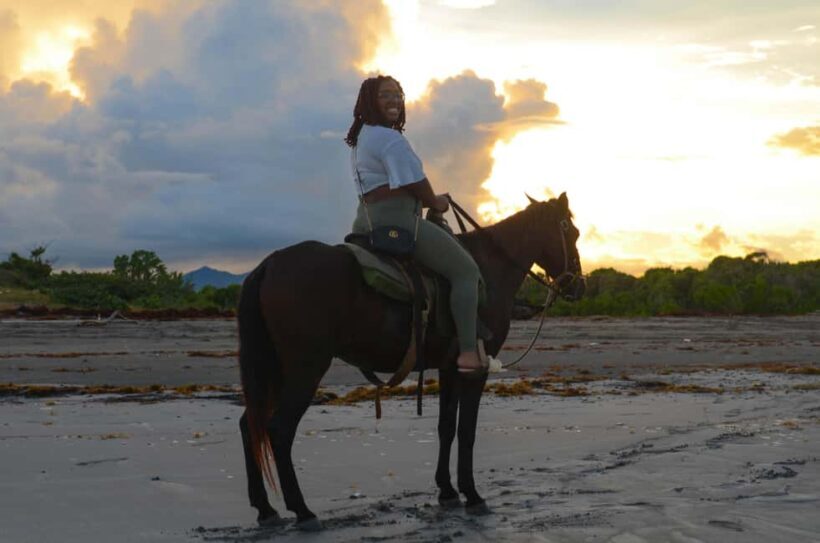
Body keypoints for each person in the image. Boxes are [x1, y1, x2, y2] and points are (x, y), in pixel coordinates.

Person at [345, 75, 487, 375]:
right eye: (386, 95)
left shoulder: (364, 137)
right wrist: (436, 203)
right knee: (466, 271)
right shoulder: (389, 139)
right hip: (398, 221)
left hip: (366, 219)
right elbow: (415, 182)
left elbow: (390, 185)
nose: (394, 100)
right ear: (370, 100)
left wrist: (428, 199)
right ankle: (468, 353)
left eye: (398, 94)